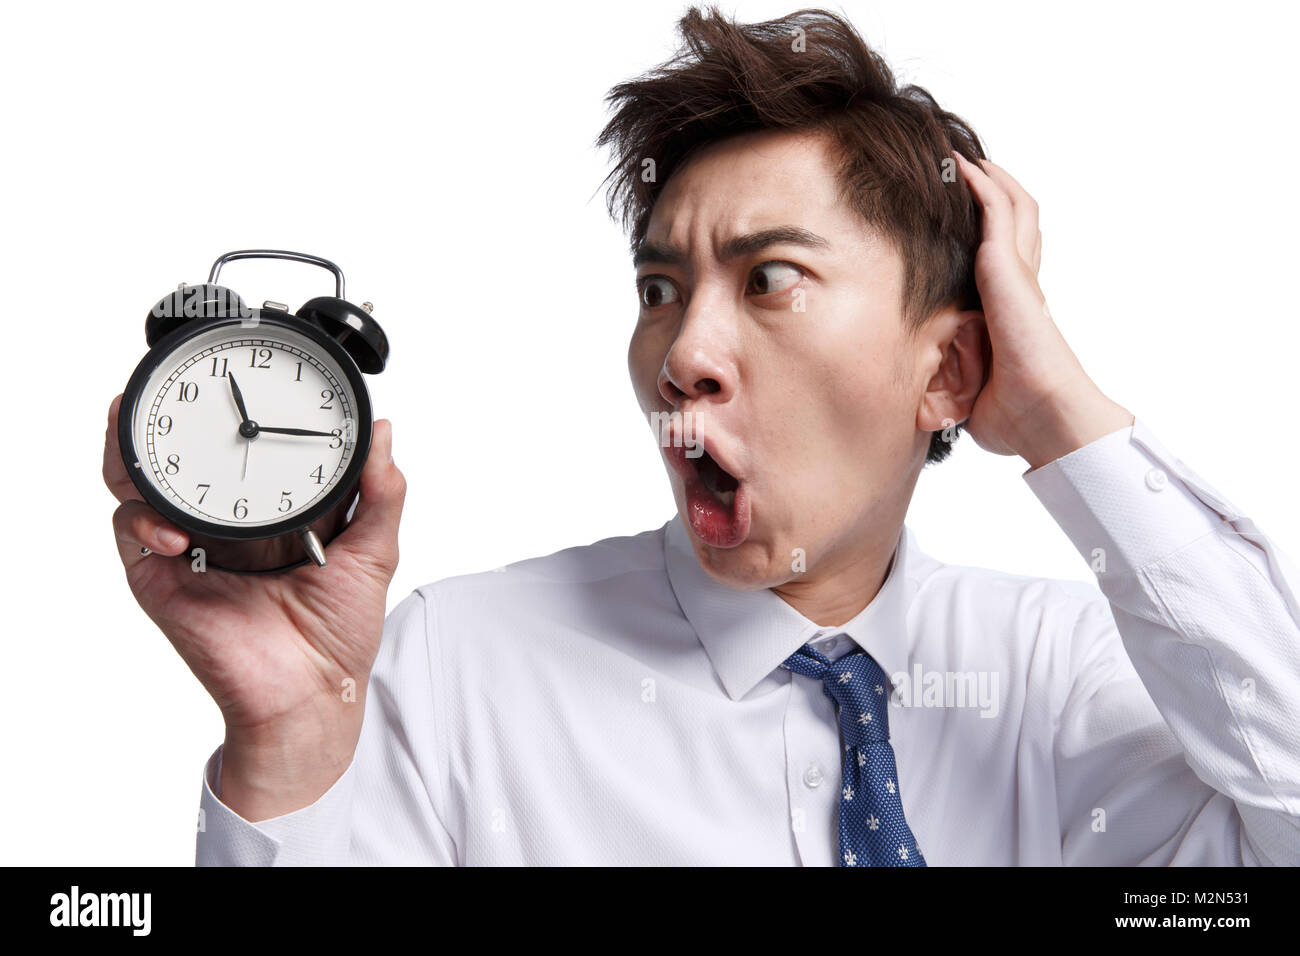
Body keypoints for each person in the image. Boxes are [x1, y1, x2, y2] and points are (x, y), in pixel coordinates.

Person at [103, 6, 1300, 865]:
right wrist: (291, 738)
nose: (679, 356)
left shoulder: (1071, 678)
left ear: (947, 370)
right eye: (659, 287)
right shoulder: (455, 672)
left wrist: (1058, 418)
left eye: (769, 276)